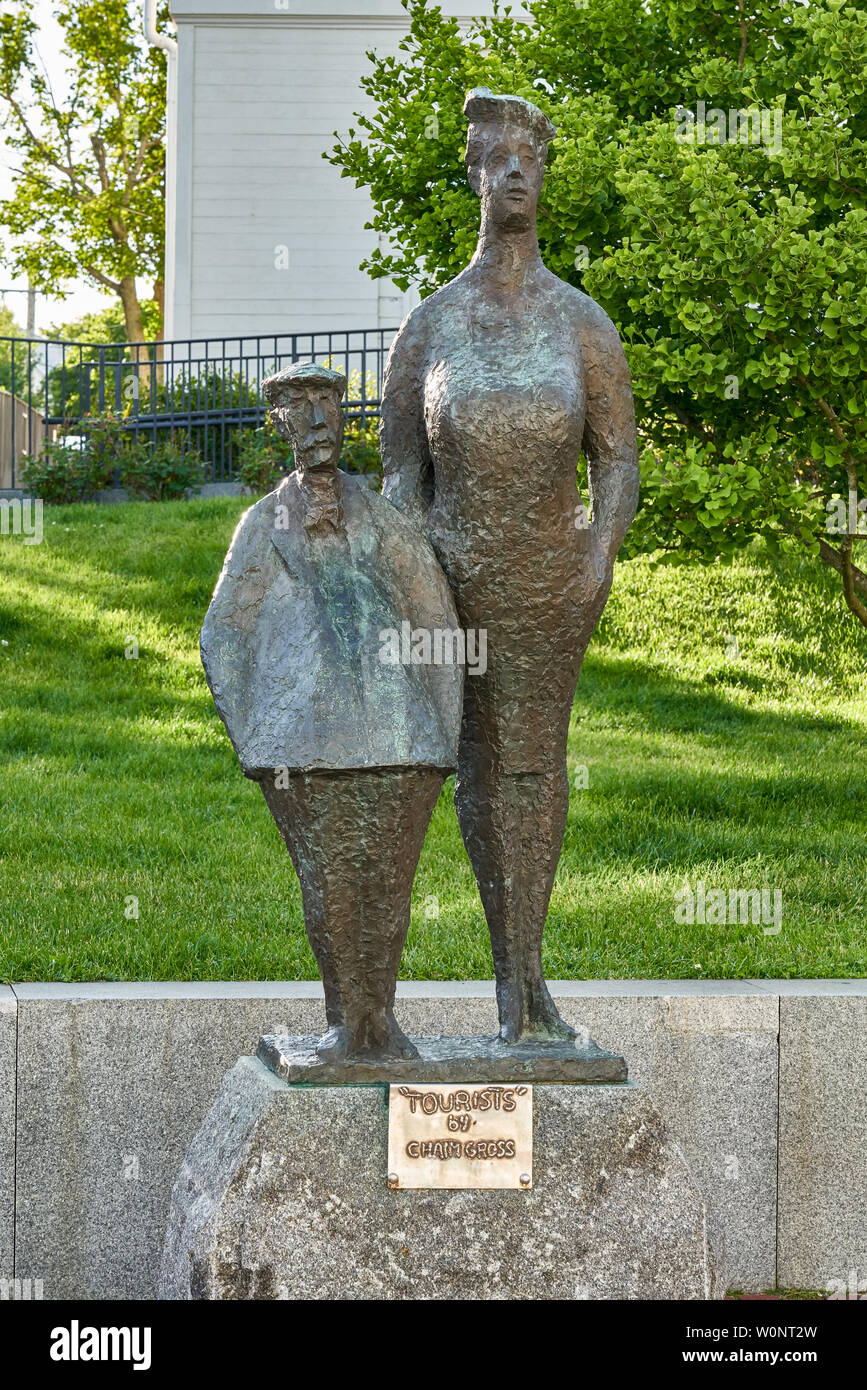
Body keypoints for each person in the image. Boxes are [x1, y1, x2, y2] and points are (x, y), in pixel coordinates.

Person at [381, 88, 639, 1043]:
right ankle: (397, 1005)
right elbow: (402, 476)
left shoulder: (580, 322)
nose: (516, 170)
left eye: (529, 155)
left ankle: (525, 989)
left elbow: (616, 457)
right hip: (449, 586)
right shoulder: (429, 326)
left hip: (549, 580)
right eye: (498, 156)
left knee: (532, 766)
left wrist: (598, 554)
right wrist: (402, 581)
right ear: (475, 174)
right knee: (459, 769)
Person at [201, 362, 463, 1061]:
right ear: (278, 422)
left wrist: (443, 734)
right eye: (299, 407)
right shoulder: (262, 523)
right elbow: (225, 632)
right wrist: (255, 735)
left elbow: (434, 618)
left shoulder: (383, 516)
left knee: (389, 889)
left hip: (401, 738)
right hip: (300, 744)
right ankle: (347, 1022)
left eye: (326, 404)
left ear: (344, 416)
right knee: (329, 888)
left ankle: (380, 1022)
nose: (316, 419)